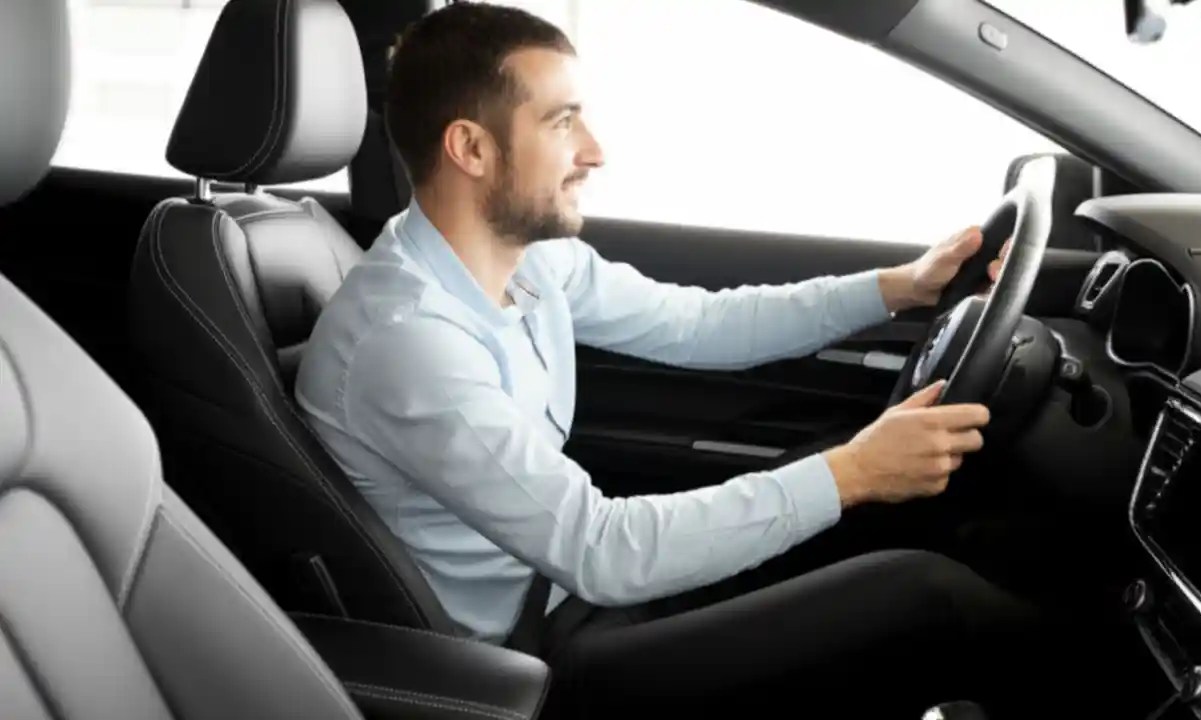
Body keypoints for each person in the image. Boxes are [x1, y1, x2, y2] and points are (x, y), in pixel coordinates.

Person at [294, 3, 1045, 718]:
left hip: (569, 590)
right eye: (562, 122)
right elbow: (600, 549)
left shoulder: (530, 263)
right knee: (924, 599)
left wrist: (899, 289)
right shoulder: (409, 340)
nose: (594, 150)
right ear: (471, 148)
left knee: (881, 510)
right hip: (536, 660)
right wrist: (852, 472)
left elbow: (700, 324)